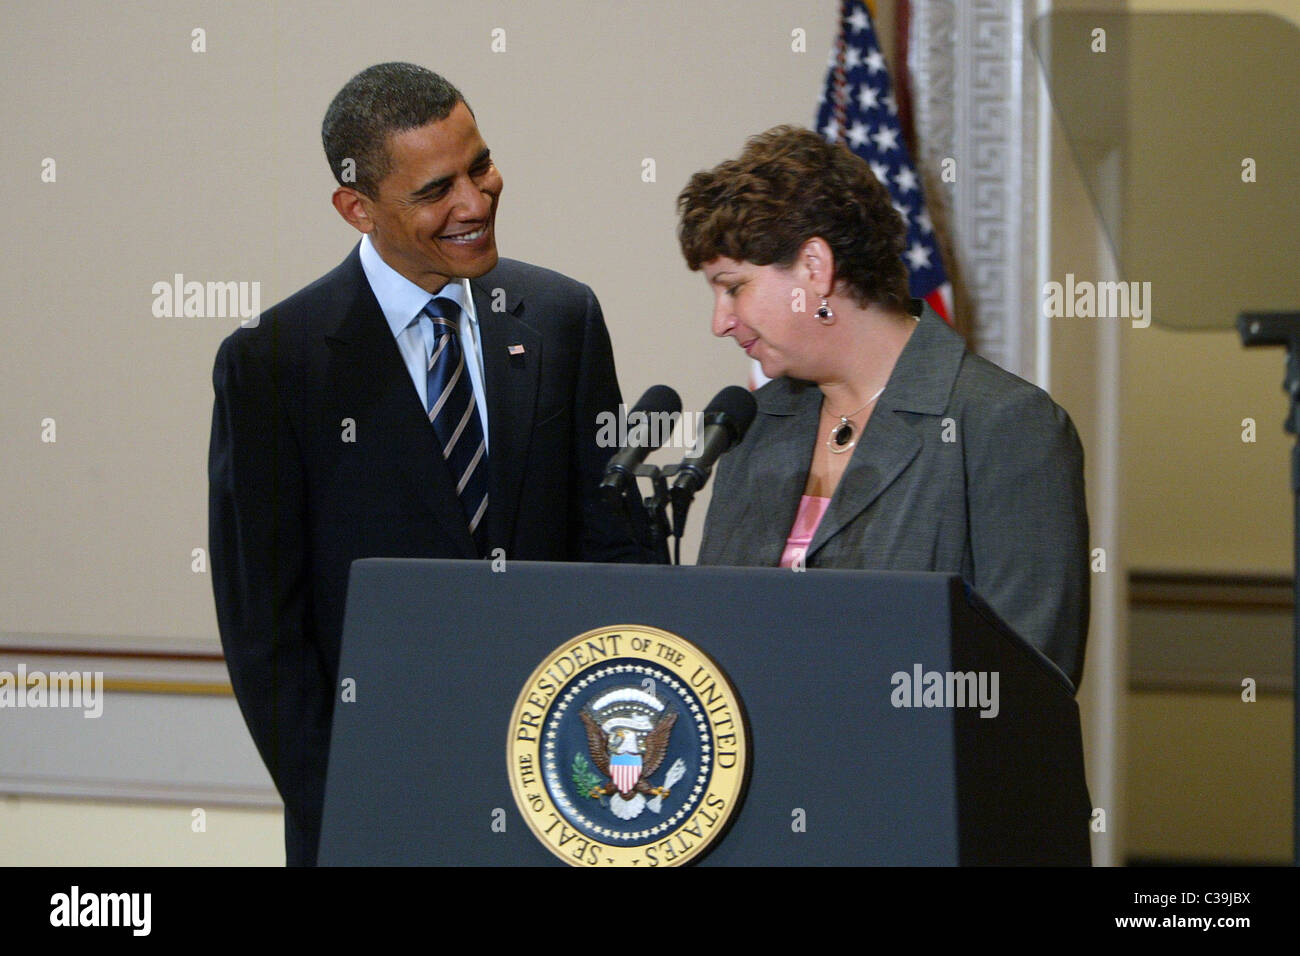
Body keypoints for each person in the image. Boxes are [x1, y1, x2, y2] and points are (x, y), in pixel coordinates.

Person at [209, 63, 645, 866]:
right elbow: (263, 630)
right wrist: (349, 808)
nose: (476, 202)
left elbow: (612, 553)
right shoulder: (276, 363)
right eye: (436, 189)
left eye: (480, 166)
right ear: (357, 207)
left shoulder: (560, 319)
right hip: (377, 805)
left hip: (565, 800)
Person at [677, 125, 1089, 689]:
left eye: (733, 287)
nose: (720, 321)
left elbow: (1025, 687)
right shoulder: (753, 426)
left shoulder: (1003, 424)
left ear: (815, 268)